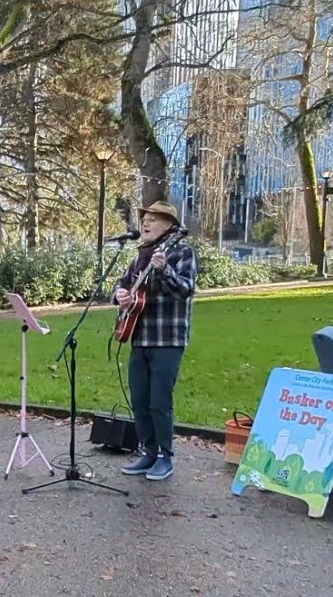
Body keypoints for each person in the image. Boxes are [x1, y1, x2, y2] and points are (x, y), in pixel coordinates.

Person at [112, 201, 197, 481]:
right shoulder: (139, 256)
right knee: (139, 399)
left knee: (160, 400)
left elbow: (184, 290)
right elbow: (122, 285)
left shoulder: (181, 251)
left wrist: (163, 270)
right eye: (145, 218)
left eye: (153, 219)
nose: (145, 223)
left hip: (168, 338)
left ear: (169, 227)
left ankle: (165, 456)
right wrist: (121, 296)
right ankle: (147, 451)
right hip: (140, 336)